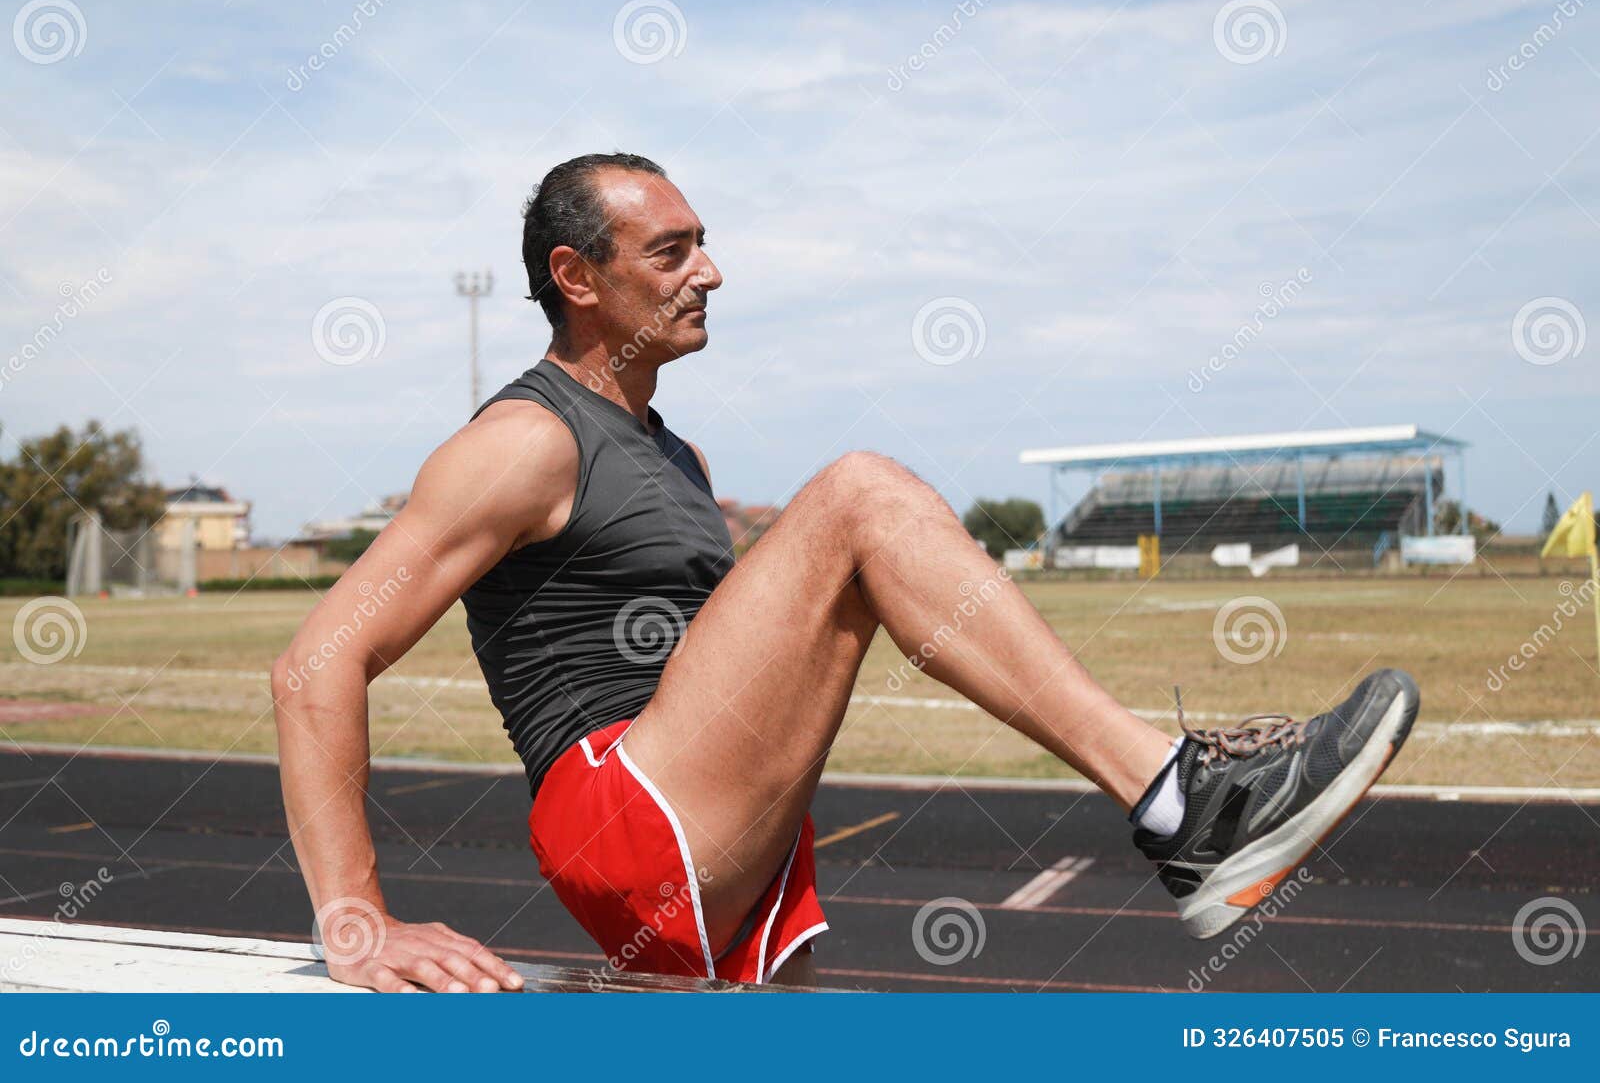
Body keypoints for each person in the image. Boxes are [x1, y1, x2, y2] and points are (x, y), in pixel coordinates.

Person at [271, 152, 1420, 992]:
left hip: (725, 819)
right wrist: (357, 920)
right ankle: (1180, 802)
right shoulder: (522, 441)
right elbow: (316, 662)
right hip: (622, 810)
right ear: (576, 275)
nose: (710, 271)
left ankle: (1187, 808)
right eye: (670, 251)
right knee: (861, 496)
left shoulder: (678, 456)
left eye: (703, 242)